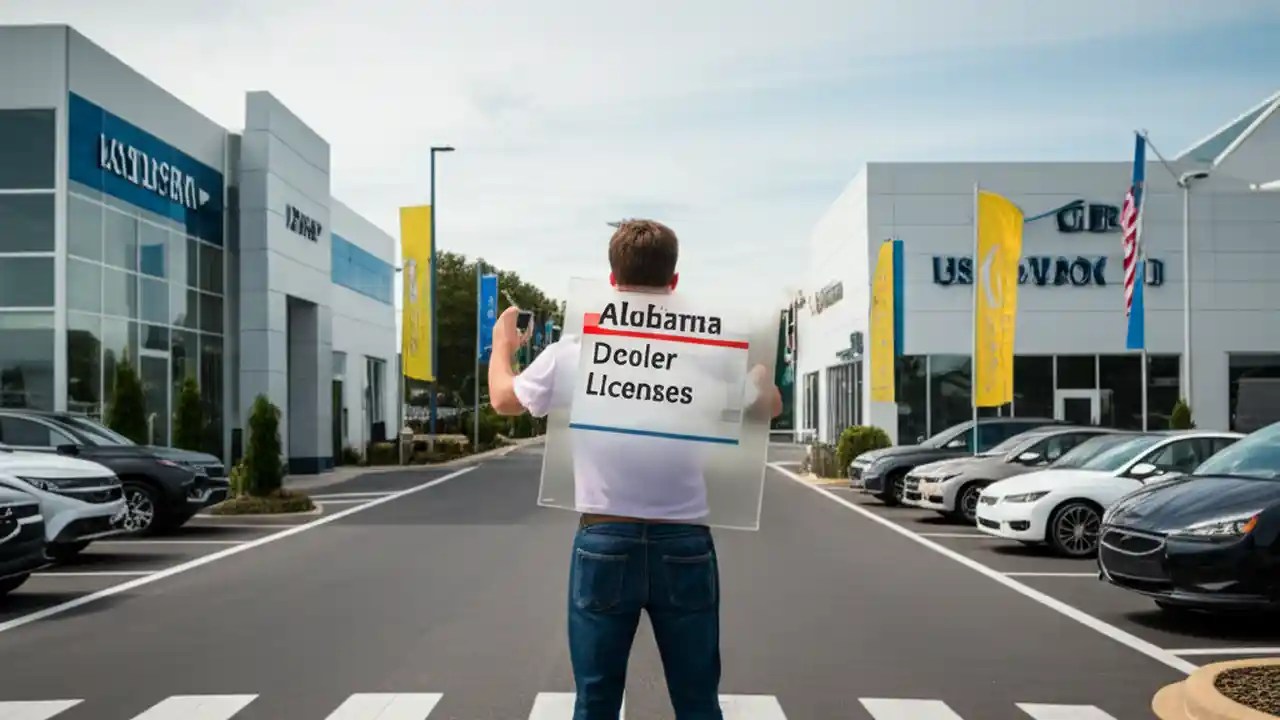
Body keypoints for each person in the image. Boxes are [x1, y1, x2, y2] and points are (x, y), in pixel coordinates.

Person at [488, 219, 782, 720]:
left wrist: (502, 344)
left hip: (604, 541)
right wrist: (756, 372)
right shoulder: (708, 353)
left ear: (611, 280)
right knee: (696, 701)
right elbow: (768, 405)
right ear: (673, 283)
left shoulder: (575, 354)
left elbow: (502, 400)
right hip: (685, 542)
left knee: (597, 702)